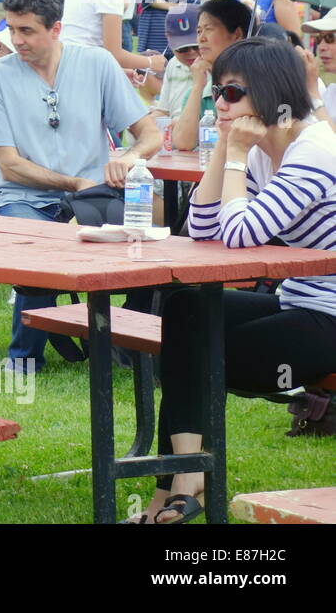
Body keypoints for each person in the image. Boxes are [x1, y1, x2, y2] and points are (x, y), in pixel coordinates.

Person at [129, 39, 336, 524]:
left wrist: (236, 152)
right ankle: (185, 480)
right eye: (217, 92)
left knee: (195, 350)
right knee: (185, 310)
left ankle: (180, 484)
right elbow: (202, 231)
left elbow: (239, 233)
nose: (219, 102)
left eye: (232, 92)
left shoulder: (315, 151)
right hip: (300, 303)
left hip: (330, 317)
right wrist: (227, 144)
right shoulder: (265, 149)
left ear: (269, 94)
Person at [0, 0, 160, 369]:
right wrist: (76, 183)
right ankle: (23, 360)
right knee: (38, 247)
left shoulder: (97, 62)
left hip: (94, 198)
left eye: (26, 30)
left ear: (56, 28)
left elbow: (150, 134)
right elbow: (7, 163)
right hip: (22, 197)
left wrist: (128, 158)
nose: (16, 39)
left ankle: (127, 347)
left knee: (150, 250)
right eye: (11, 29)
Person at [171, 0, 251, 151]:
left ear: (237, 34)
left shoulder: (255, 87)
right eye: (199, 31)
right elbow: (183, 143)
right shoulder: (201, 91)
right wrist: (197, 87)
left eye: (208, 29)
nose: (201, 39)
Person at [150, 8, 202, 120]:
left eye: (196, 46)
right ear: (168, 40)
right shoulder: (173, 64)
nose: (192, 52)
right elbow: (163, 111)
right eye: (183, 48)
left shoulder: (216, 68)